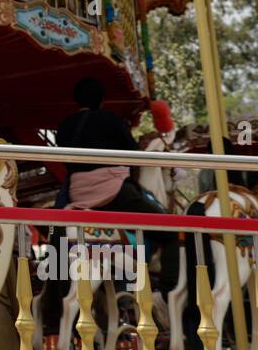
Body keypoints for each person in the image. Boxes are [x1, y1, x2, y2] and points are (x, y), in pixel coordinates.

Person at [54, 77, 177, 291]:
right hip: (114, 190)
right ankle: (165, 291)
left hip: (78, 192)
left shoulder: (65, 127)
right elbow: (132, 154)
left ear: (76, 101)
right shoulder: (112, 120)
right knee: (172, 231)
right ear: (102, 100)